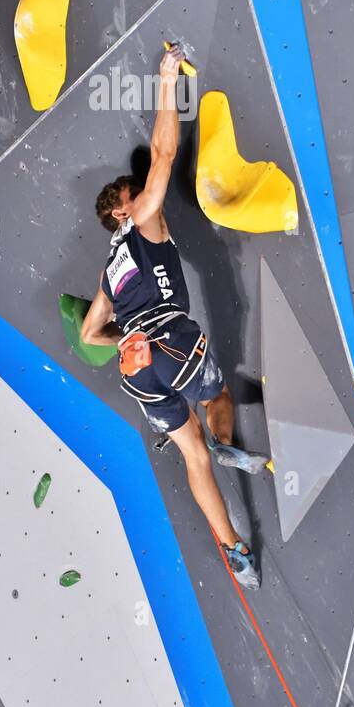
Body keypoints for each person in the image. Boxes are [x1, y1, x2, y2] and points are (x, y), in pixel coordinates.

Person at [80, 45, 267, 589]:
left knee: (192, 460)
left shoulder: (107, 275)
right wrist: (166, 78)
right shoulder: (140, 221)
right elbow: (163, 155)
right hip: (170, 341)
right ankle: (227, 437)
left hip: (137, 376)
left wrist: (125, 340)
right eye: (129, 194)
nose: (140, 194)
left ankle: (237, 555)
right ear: (121, 211)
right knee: (216, 399)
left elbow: (93, 333)